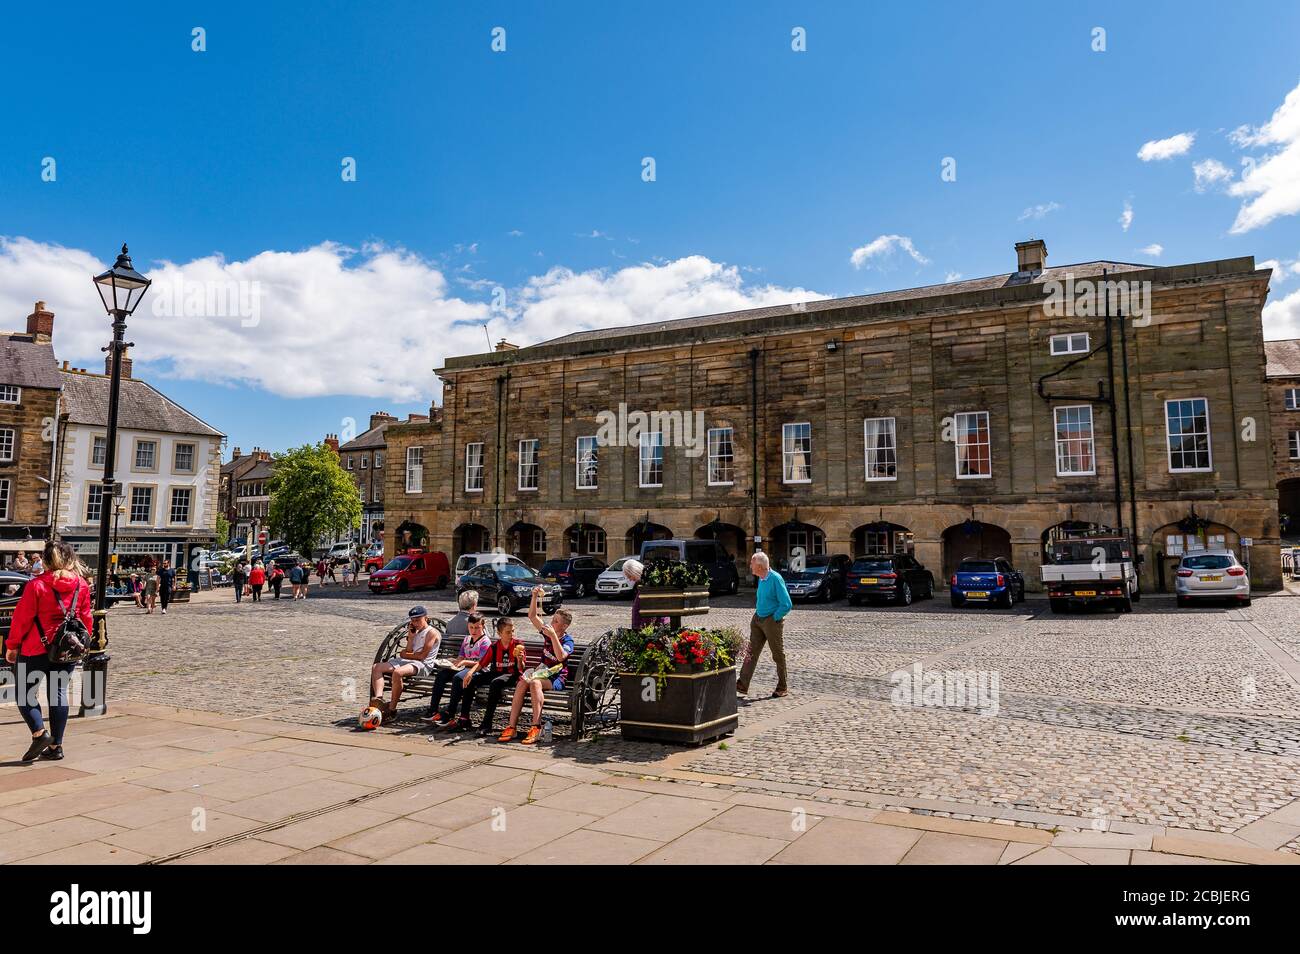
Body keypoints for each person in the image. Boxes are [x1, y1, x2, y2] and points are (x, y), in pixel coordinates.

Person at [5, 540, 92, 762]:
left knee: (25, 694)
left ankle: (39, 733)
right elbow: (85, 618)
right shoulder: (81, 585)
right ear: (71, 559)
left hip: (35, 647)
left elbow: (22, 618)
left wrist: (12, 646)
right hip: (66, 647)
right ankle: (56, 746)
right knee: (58, 693)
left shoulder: (37, 585)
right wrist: (84, 644)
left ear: (45, 561)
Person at [499, 588, 574, 744]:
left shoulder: (567, 641)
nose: (552, 623)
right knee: (522, 683)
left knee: (534, 683)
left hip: (556, 678)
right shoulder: (548, 632)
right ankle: (511, 727)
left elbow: (561, 657)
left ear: (564, 626)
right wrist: (533, 596)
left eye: (556, 621)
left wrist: (553, 636)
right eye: (553, 619)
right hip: (542, 673)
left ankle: (536, 726)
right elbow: (532, 616)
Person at [439, 616, 526, 735]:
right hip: (496, 673)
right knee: (470, 680)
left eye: (513, 631)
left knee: (495, 683)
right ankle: (464, 718)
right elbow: (482, 663)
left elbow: (521, 668)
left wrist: (520, 660)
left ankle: (487, 723)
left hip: (511, 675)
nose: (511, 634)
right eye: (508, 632)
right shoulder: (495, 647)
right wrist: (470, 673)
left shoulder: (518, 645)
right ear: (500, 633)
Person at [369, 606, 441, 722]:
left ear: (426, 618)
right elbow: (408, 651)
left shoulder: (432, 632)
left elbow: (422, 656)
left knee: (398, 673)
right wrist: (411, 638)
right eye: (413, 620)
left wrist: (405, 655)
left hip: (423, 664)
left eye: (418, 620)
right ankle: (379, 699)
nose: (415, 623)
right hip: (410, 661)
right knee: (377, 667)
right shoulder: (415, 631)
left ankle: (392, 710)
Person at [736, 551, 792, 699]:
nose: (750, 566)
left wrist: (775, 618)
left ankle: (782, 686)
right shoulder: (761, 578)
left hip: (771, 621)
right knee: (751, 652)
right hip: (758, 619)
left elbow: (786, 604)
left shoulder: (776, 579)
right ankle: (743, 684)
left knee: (777, 654)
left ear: (760, 566)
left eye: (752, 563)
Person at [423, 610, 492, 724]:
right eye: (471, 627)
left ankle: (451, 713)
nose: (474, 630)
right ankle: (433, 709)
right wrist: (454, 661)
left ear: (483, 626)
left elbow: (482, 663)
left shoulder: (485, 642)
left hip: (479, 670)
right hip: (464, 668)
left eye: (477, 628)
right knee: (442, 675)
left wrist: (464, 662)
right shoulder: (467, 639)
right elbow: (461, 656)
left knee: (458, 678)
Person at [623, 558, 670, 630]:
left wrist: (644, 629)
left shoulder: (648, 584)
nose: (629, 579)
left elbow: (650, 610)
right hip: (646, 627)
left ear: (634, 571)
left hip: (653, 628)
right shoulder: (641, 584)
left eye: (629, 576)